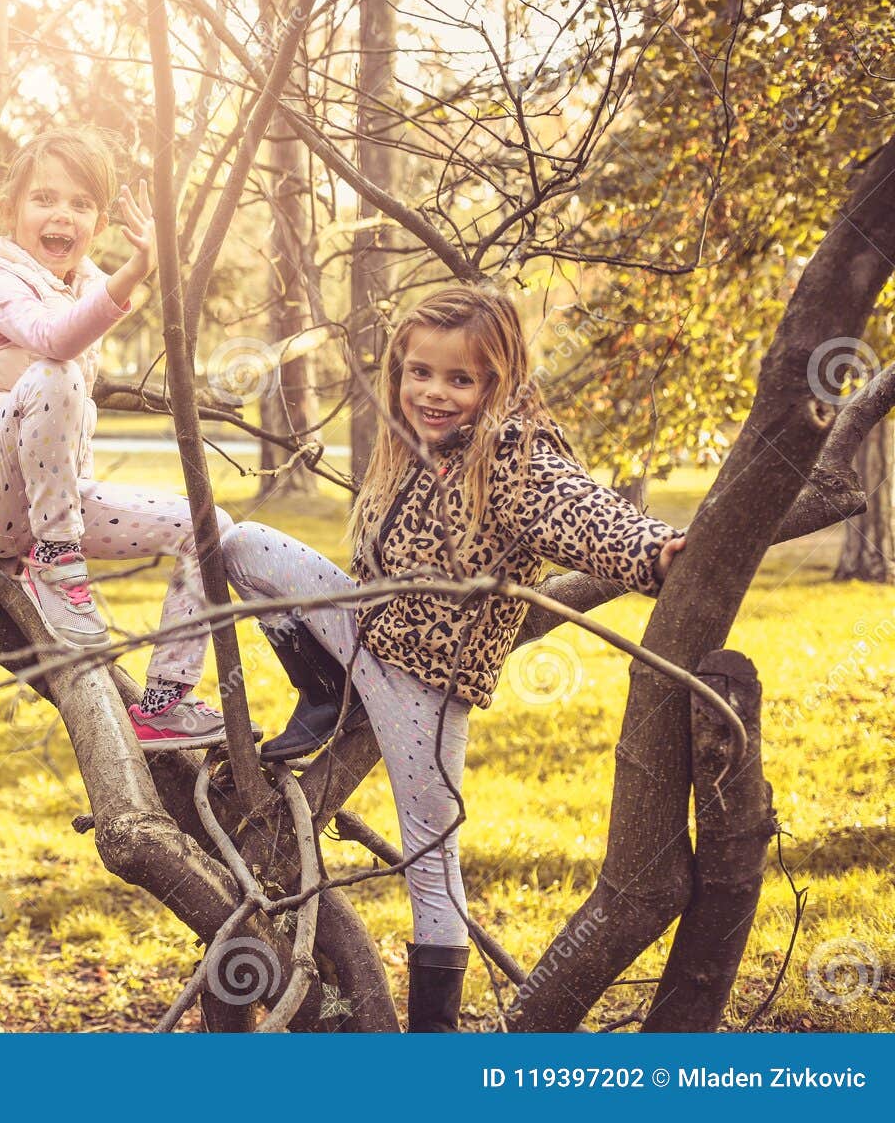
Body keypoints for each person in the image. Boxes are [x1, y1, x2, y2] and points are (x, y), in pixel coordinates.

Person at [221, 285, 687, 1029]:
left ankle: (431, 1039)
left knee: (430, 864)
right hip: (363, 633)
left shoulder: (512, 456)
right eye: (419, 372)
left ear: (497, 381)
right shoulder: (410, 442)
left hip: (425, 689)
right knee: (241, 545)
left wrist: (652, 551)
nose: (434, 392)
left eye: (460, 379)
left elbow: (580, 507)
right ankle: (322, 689)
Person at [0, 128, 238, 750]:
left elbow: (71, 329)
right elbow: (54, 341)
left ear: (98, 221)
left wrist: (125, 277)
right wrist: (138, 270)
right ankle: (57, 565)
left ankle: (163, 703)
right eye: (44, 198)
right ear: (10, 207)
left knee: (209, 526)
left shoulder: (82, 289)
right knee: (56, 372)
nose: (61, 216)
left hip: (58, 507)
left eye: (80, 204)